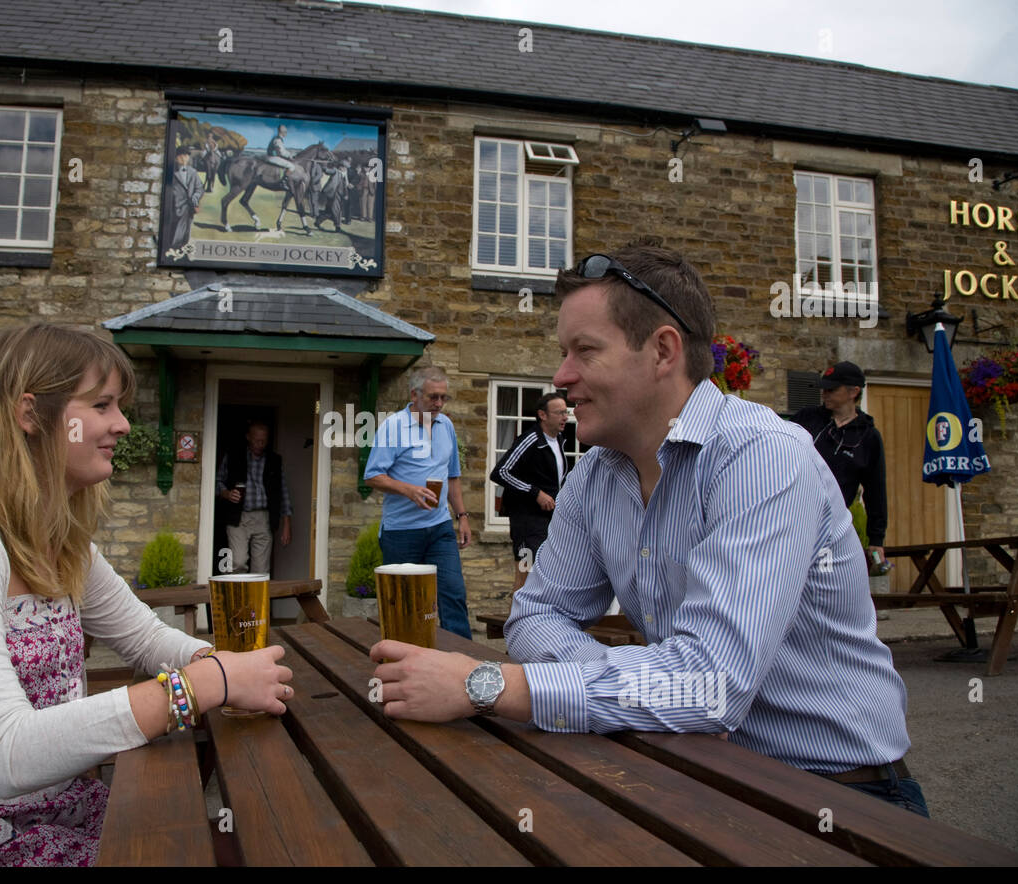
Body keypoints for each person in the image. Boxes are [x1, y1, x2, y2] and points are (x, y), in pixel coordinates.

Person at [369, 243, 928, 816]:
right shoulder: (597, 473)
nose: (561, 378)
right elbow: (535, 615)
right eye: (564, 353)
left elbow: (711, 683)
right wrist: (656, 696)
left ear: (662, 350)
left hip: (839, 796)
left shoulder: (762, 457)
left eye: (584, 351)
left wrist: (486, 686)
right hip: (699, 771)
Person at [0, 324, 293, 866]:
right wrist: (202, 686)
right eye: (102, 405)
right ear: (30, 414)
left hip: (51, 813)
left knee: (251, 844)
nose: (122, 424)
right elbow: (5, 751)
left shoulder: (60, 540)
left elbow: (144, 638)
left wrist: (217, 663)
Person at [364, 365, 473, 639]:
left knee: (453, 595)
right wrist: (409, 490)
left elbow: (453, 476)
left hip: (439, 528)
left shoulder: (445, 425)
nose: (438, 403)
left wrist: (462, 516)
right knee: (405, 605)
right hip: (401, 533)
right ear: (414, 394)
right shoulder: (393, 427)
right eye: (432, 397)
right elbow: (373, 476)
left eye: (443, 398)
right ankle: (403, 664)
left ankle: (463, 663)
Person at [790, 361, 887, 571]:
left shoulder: (868, 437)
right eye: (823, 388)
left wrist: (876, 539)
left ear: (854, 391)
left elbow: (876, 490)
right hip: (793, 517)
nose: (824, 393)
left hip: (830, 526)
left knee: (823, 578)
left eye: (832, 389)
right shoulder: (807, 419)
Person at [490, 392, 569, 591]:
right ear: (542, 415)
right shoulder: (530, 440)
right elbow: (500, 472)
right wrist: (536, 493)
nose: (565, 417)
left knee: (548, 578)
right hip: (526, 523)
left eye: (565, 412)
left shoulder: (559, 440)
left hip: (550, 521)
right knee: (525, 578)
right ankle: (517, 622)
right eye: (559, 413)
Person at [215, 422, 292, 574]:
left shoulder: (274, 460)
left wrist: (287, 525)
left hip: (264, 518)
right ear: (248, 437)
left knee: (261, 570)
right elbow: (217, 482)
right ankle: (237, 598)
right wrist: (227, 493)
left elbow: (283, 492)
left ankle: (255, 599)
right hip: (238, 517)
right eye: (257, 440)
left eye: (264, 440)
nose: (260, 444)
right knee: (237, 562)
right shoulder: (233, 455)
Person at [162, 145, 203, 254]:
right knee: (174, 233)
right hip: (174, 208)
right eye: (181, 156)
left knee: (186, 233)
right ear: (176, 157)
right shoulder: (170, 172)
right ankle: (172, 253)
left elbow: (199, 188)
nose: (184, 159)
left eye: (186, 156)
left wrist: (195, 199)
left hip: (189, 209)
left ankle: (182, 252)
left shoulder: (193, 172)